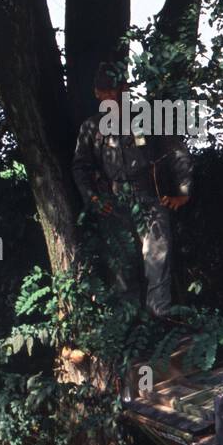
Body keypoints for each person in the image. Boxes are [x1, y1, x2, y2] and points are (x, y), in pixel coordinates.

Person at [72, 62, 193, 318]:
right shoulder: (92, 128)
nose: (108, 96)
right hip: (114, 202)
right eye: (103, 91)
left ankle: (161, 322)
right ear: (96, 93)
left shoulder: (147, 118)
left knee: (157, 261)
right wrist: (92, 197)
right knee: (122, 268)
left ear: (125, 89)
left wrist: (183, 191)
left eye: (113, 90)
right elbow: (80, 167)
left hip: (151, 197)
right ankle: (128, 328)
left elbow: (177, 152)